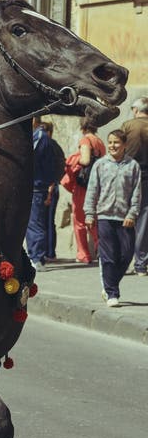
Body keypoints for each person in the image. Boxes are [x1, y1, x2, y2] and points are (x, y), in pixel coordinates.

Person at [84, 129, 141, 307]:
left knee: (126, 254)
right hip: (104, 216)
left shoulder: (133, 166)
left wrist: (132, 214)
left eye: (116, 142)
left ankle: (109, 282)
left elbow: (137, 193)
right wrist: (89, 213)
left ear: (124, 145)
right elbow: (92, 190)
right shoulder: (100, 165)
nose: (112, 146)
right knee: (109, 257)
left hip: (125, 218)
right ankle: (112, 293)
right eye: (110, 142)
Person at [71, 120, 106, 263]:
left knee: (79, 221)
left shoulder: (85, 140)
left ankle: (84, 254)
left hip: (83, 185)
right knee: (95, 220)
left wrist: (73, 160)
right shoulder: (100, 142)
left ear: (83, 126)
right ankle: (102, 250)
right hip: (98, 184)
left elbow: (85, 160)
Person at [121, 96, 148, 275]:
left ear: (135, 109)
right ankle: (141, 263)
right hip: (147, 176)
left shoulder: (128, 125)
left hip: (128, 173)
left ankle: (124, 260)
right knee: (145, 218)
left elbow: (118, 148)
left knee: (125, 216)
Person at [25, 117, 56, 271]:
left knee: (35, 223)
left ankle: (37, 257)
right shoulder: (39, 136)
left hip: (37, 186)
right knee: (34, 222)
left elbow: (30, 157)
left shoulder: (39, 137)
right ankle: (36, 256)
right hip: (36, 186)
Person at [42, 120, 65, 261]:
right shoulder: (54, 146)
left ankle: (49, 252)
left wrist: (51, 185)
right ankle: (49, 252)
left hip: (49, 187)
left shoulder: (50, 146)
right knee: (48, 221)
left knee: (47, 221)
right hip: (52, 185)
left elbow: (56, 167)